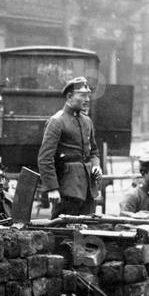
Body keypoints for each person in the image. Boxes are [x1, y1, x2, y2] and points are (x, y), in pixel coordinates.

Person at [37, 76, 102, 217]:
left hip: (88, 189)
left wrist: (96, 165)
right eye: (82, 95)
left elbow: (94, 151)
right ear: (69, 97)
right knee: (63, 227)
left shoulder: (87, 121)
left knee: (87, 227)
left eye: (88, 95)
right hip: (67, 189)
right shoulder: (57, 122)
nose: (87, 99)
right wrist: (52, 188)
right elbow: (45, 158)